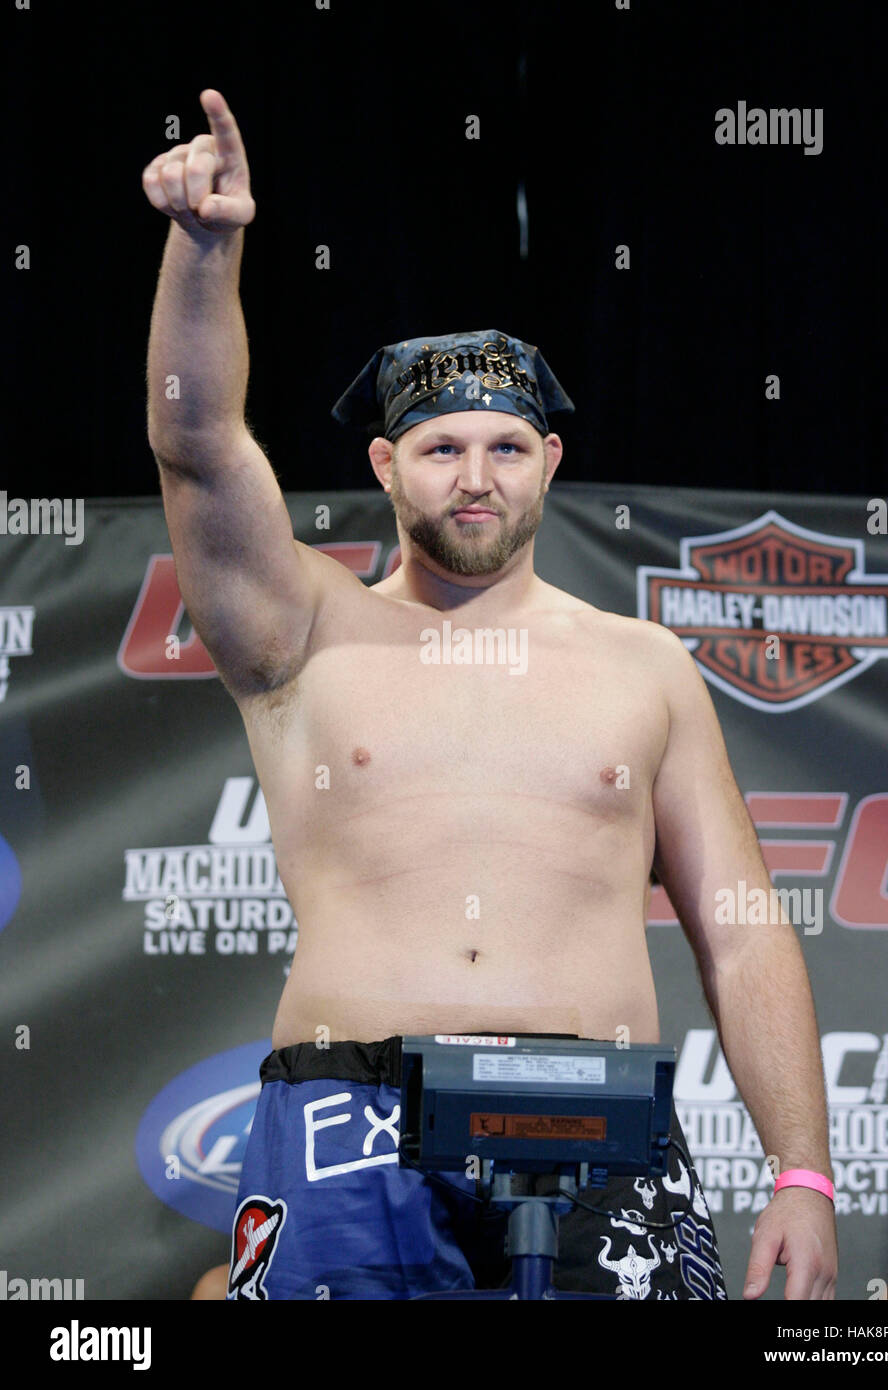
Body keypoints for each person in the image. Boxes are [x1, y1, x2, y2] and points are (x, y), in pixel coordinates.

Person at [143, 89, 837, 1301]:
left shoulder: (646, 666)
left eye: (506, 448)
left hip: (597, 1121)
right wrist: (207, 248)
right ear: (382, 463)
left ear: (551, 463)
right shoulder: (301, 630)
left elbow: (738, 926)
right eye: (440, 447)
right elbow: (197, 443)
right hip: (342, 1112)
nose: (476, 477)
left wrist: (803, 1173)